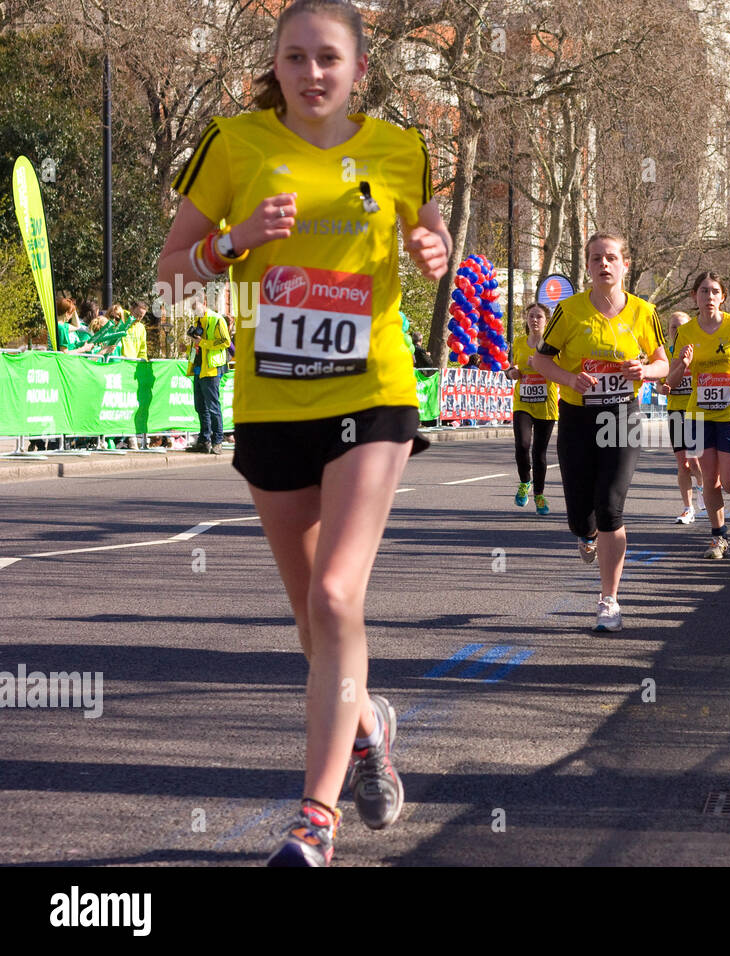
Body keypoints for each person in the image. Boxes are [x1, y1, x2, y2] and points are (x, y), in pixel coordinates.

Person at [159, 0, 452, 867]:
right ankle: (367, 723)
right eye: (296, 58)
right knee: (310, 617)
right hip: (273, 403)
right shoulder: (233, 144)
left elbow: (428, 231)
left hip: (374, 393)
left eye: (329, 58)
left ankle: (312, 822)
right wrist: (233, 244)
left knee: (334, 597)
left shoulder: (401, 148)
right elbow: (173, 282)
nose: (313, 73)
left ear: (359, 69)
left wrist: (436, 248)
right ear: (277, 66)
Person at [531, 233, 668, 630]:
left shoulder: (644, 312)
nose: (603, 265)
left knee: (611, 507)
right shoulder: (569, 311)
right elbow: (541, 361)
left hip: (622, 417)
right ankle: (584, 533)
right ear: (588, 266)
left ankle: (609, 599)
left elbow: (663, 363)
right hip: (577, 419)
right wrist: (569, 379)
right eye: (596, 259)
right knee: (581, 515)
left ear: (625, 264)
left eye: (611, 258)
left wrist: (646, 370)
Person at [664, 270, 730, 558]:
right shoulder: (685, 332)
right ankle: (718, 538)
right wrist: (681, 365)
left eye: (714, 291)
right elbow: (671, 379)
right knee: (710, 479)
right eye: (703, 291)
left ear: (723, 297)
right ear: (695, 296)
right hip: (698, 414)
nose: (709, 296)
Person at [505, 301, 558, 515]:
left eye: (539, 316)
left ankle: (539, 495)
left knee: (539, 453)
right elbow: (511, 368)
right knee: (522, 444)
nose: (534, 320)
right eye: (531, 316)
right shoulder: (518, 342)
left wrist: (540, 365)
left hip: (546, 404)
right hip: (523, 401)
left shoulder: (553, 344)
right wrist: (512, 372)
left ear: (546, 321)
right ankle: (525, 481)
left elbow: (560, 371)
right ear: (526, 320)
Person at [659, 310, 707, 524]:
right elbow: (659, 383)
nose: (677, 331)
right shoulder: (665, 356)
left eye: (681, 327)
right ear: (669, 331)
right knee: (683, 463)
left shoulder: (699, 352)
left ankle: (702, 487)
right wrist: (662, 388)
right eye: (673, 327)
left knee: (695, 461)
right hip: (676, 411)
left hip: (697, 411)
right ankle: (688, 508)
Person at [182, 293, 231, 454]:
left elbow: (225, 342)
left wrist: (201, 342)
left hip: (211, 369)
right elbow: (198, 347)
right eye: (192, 307)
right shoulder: (198, 321)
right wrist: (187, 349)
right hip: (199, 368)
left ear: (203, 303)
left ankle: (217, 441)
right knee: (200, 406)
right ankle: (204, 440)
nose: (193, 310)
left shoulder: (217, 319)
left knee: (213, 407)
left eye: (195, 306)